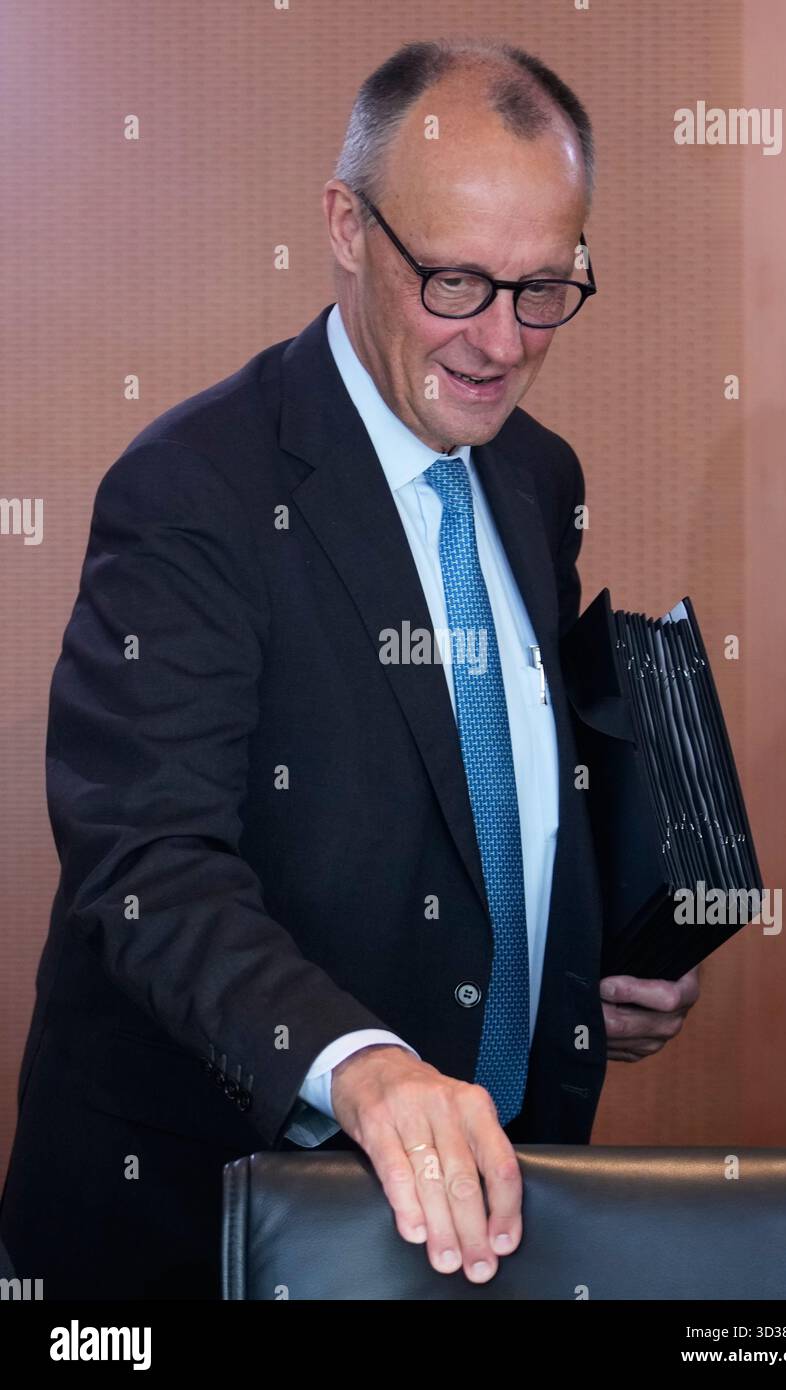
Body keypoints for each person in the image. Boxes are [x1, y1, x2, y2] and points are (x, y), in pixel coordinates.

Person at [0, 37, 699, 1300]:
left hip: (487, 1216)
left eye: (543, 288)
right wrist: (361, 1063)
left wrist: (590, 965)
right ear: (343, 225)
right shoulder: (191, 490)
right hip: (204, 1224)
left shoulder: (538, 477)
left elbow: (474, 789)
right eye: (454, 283)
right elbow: (148, 863)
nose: (500, 341)